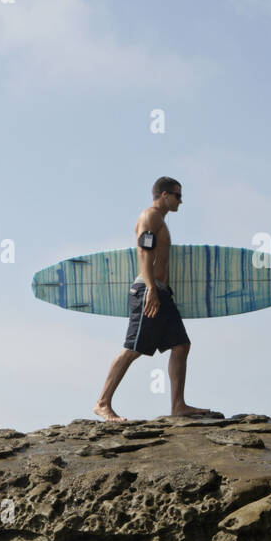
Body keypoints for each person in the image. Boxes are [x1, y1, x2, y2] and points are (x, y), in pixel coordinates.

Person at [93, 176, 218, 422]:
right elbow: (143, 251)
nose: (181, 202)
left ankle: (178, 405)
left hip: (162, 292)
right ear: (165, 195)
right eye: (178, 196)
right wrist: (150, 288)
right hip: (147, 291)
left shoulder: (161, 220)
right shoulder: (150, 216)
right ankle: (102, 403)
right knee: (133, 349)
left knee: (181, 345)